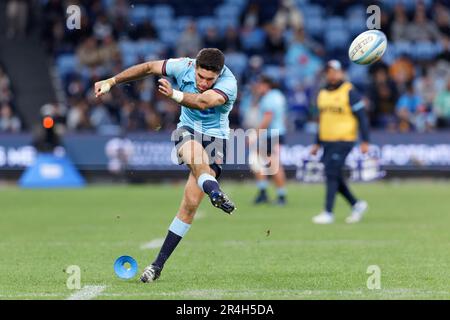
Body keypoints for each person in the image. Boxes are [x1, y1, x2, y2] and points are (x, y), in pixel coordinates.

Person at [94, 48, 237, 282]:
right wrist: (112, 80)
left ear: (219, 75)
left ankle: (156, 266)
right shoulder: (182, 66)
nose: (203, 82)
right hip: (187, 131)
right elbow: (149, 67)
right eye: (200, 77)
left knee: (190, 204)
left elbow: (203, 102)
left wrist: (174, 95)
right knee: (193, 154)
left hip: (215, 139)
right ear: (194, 67)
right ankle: (215, 192)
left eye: (209, 79)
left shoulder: (229, 82)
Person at [311, 60, 370, 224]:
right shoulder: (322, 93)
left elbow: (362, 117)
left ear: (341, 72)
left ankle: (328, 212)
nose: (332, 74)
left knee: (331, 172)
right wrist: (316, 143)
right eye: (329, 71)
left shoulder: (349, 91)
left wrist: (365, 141)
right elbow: (322, 120)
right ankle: (356, 204)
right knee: (334, 174)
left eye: (335, 71)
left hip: (344, 139)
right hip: (327, 141)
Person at [251, 76, 287, 206]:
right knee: (261, 162)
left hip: (271, 134)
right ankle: (265, 192)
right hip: (278, 132)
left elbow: (268, 117)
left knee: (273, 165)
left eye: (259, 85)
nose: (258, 88)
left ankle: (279, 195)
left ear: (266, 85)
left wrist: (255, 134)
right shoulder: (278, 95)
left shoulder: (268, 98)